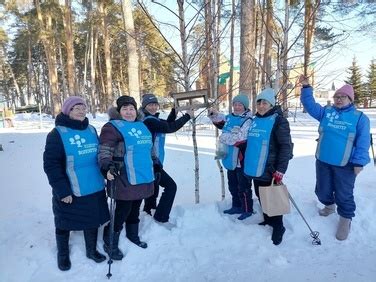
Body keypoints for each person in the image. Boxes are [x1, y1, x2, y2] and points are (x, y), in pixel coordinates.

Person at [299, 75, 370, 241]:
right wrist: (306, 87)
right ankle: (329, 206)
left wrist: (359, 162)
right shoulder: (326, 112)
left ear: (350, 99)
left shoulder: (360, 118)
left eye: (342, 97)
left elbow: (363, 141)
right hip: (323, 160)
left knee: (344, 193)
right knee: (322, 189)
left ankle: (345, 218)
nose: (338, 99)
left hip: (346, 164)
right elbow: (310, 105)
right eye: (336, 96)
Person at [43, 96, 109, 271]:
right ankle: (62, 253)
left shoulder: (91, 130)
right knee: (64, 221)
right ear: (68, 111)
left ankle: (91, 250)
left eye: (83, 107)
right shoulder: (57, 134)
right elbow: (51, 165)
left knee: (93, 219)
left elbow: (99, 157)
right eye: (76, 108)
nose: (81, 110)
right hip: (70, 189)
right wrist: (62, 191)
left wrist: (107, 172)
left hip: (94, 186)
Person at [220, 88, 293, 245]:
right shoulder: (254, 120)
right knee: (261, 196)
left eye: (264, 102)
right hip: (255, 166)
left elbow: (286, 147)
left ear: (271, 104)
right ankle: (268, 220)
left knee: (272, 197)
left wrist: (281, 169)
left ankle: (278, 227)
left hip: (270, 167)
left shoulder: (279, 121)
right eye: (259, 102)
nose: (261, 105)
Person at [98, 95, 154, 260]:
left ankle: (132, 234)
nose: (129, 112)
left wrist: (155, 161)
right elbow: (104, 149)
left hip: (142, 174)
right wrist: (107, 165)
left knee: (136, 206)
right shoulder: (112, 127)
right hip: (123, 175)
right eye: (125, 109)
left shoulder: (142, 126)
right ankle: (110, 240)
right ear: (119, 111)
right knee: (122, 210)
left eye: (131, 109)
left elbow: (149, 147)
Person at [140, 93, 193, 226]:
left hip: (155, 162)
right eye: (149, 105)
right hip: (150, 162)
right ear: (144, 106)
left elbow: (167, 123)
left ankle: (149, 213)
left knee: (153, 189)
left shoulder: (153, 119)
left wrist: (174, 111)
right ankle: (161, 217)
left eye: (154, 105)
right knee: (171, 186)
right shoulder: (148, 121)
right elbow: (170, 128)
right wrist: (187, 116)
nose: (153, 107)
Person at [208, 94, 254, 220]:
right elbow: (220, 119)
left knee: (243, 186)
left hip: (241, 159)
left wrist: (223, 137)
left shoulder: (248, 121)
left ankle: (247, 209)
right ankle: (236, 205)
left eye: (240, 105)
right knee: (232, 184)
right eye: (235, 104)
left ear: (245, 106)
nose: (237, 107)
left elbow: (238, 138)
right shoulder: (230, 117)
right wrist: (213, 113)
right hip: (229, 157)